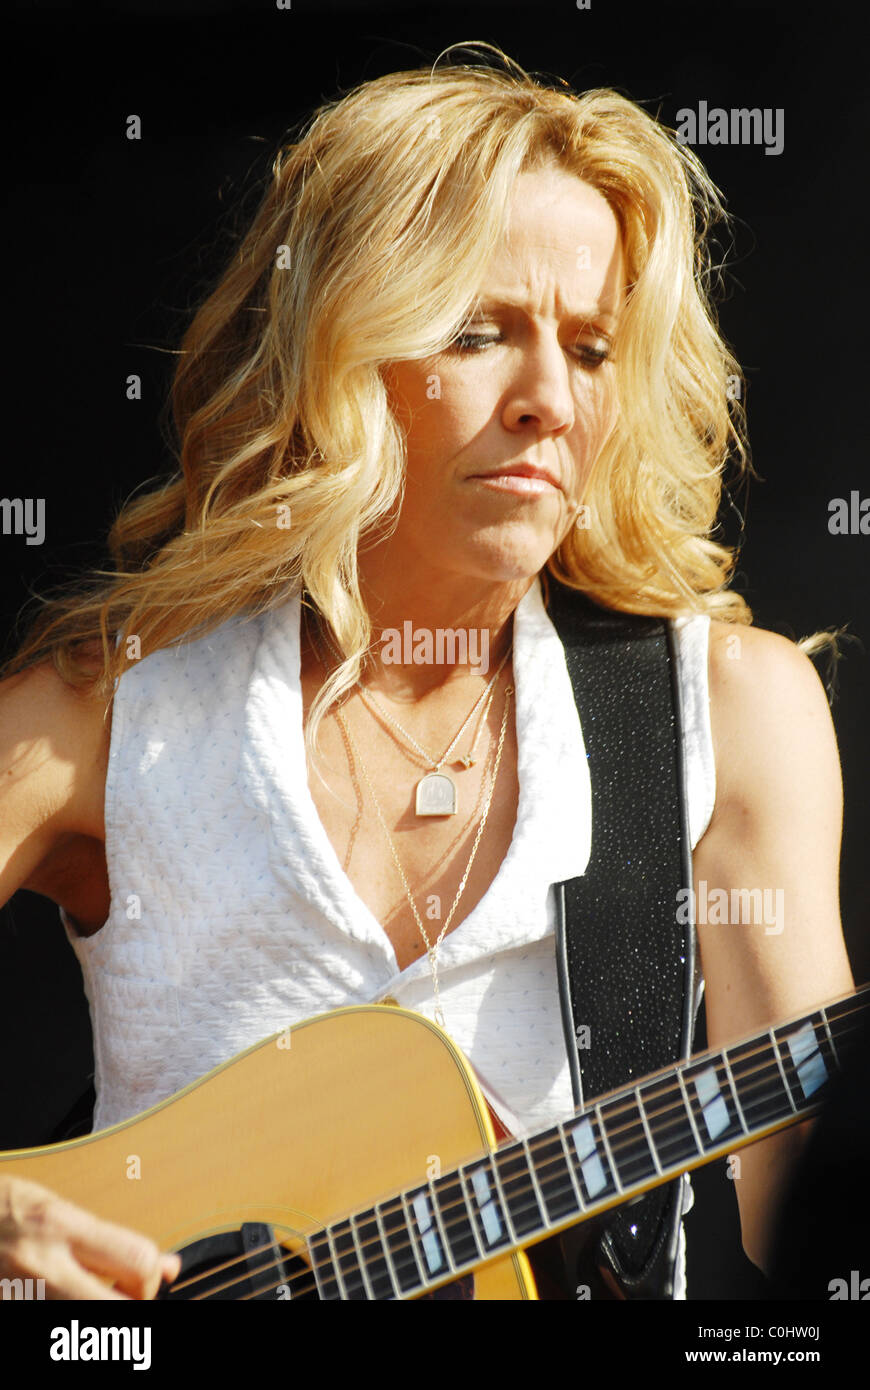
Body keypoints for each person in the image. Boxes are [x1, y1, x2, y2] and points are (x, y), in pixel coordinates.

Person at [0, 45, 855, 1300]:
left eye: (595, 346)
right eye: (479, 332)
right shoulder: (111, 715)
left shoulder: (724, 711)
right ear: (334, 348)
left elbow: (819, 1197)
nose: (549, 400)